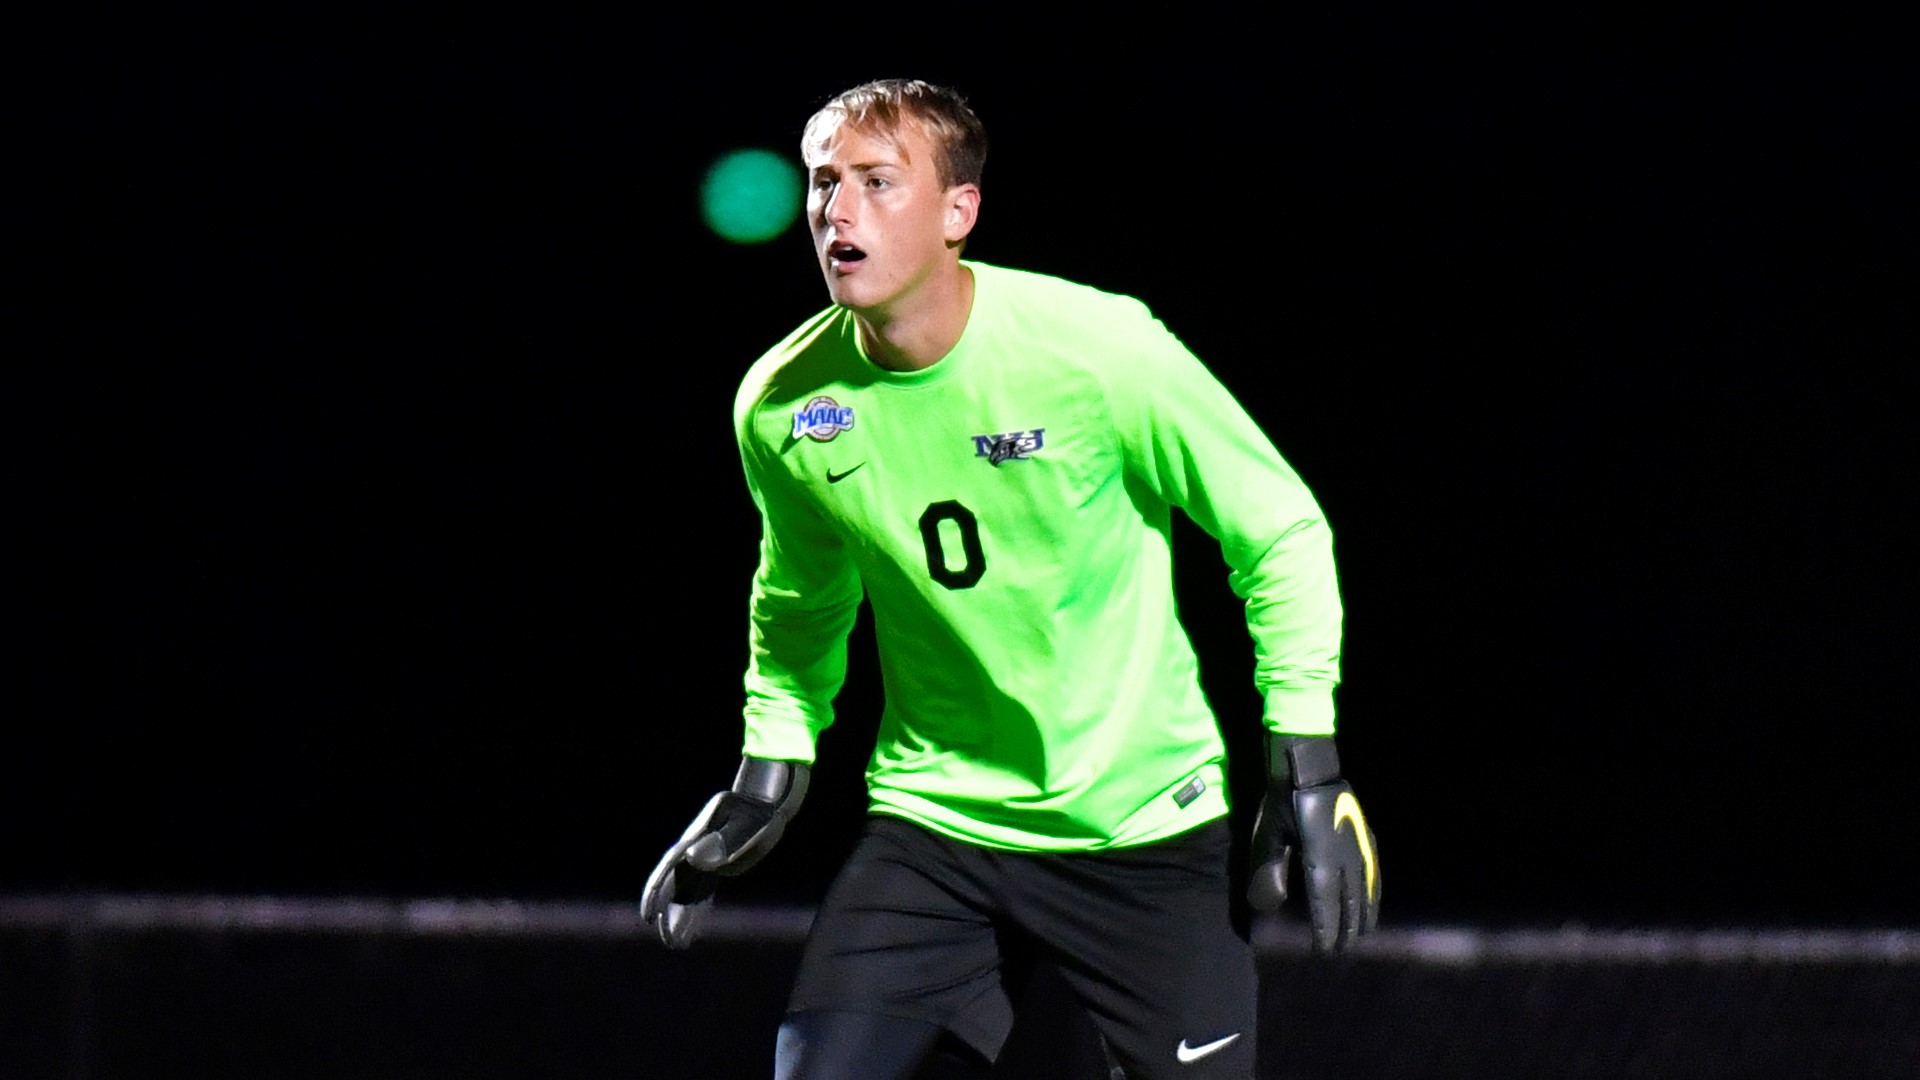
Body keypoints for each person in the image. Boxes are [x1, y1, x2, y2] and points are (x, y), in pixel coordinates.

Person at [641, 77, 1380, 1079]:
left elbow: (1279, 530)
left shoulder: (1100, 350)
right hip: (935, 830)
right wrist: (767, 768)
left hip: (1138, 829)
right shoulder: (783, 405)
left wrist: (1306, 761)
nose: (837, 210)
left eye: (877, 181)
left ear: (959, 212)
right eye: (823, 181)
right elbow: (801, 597)